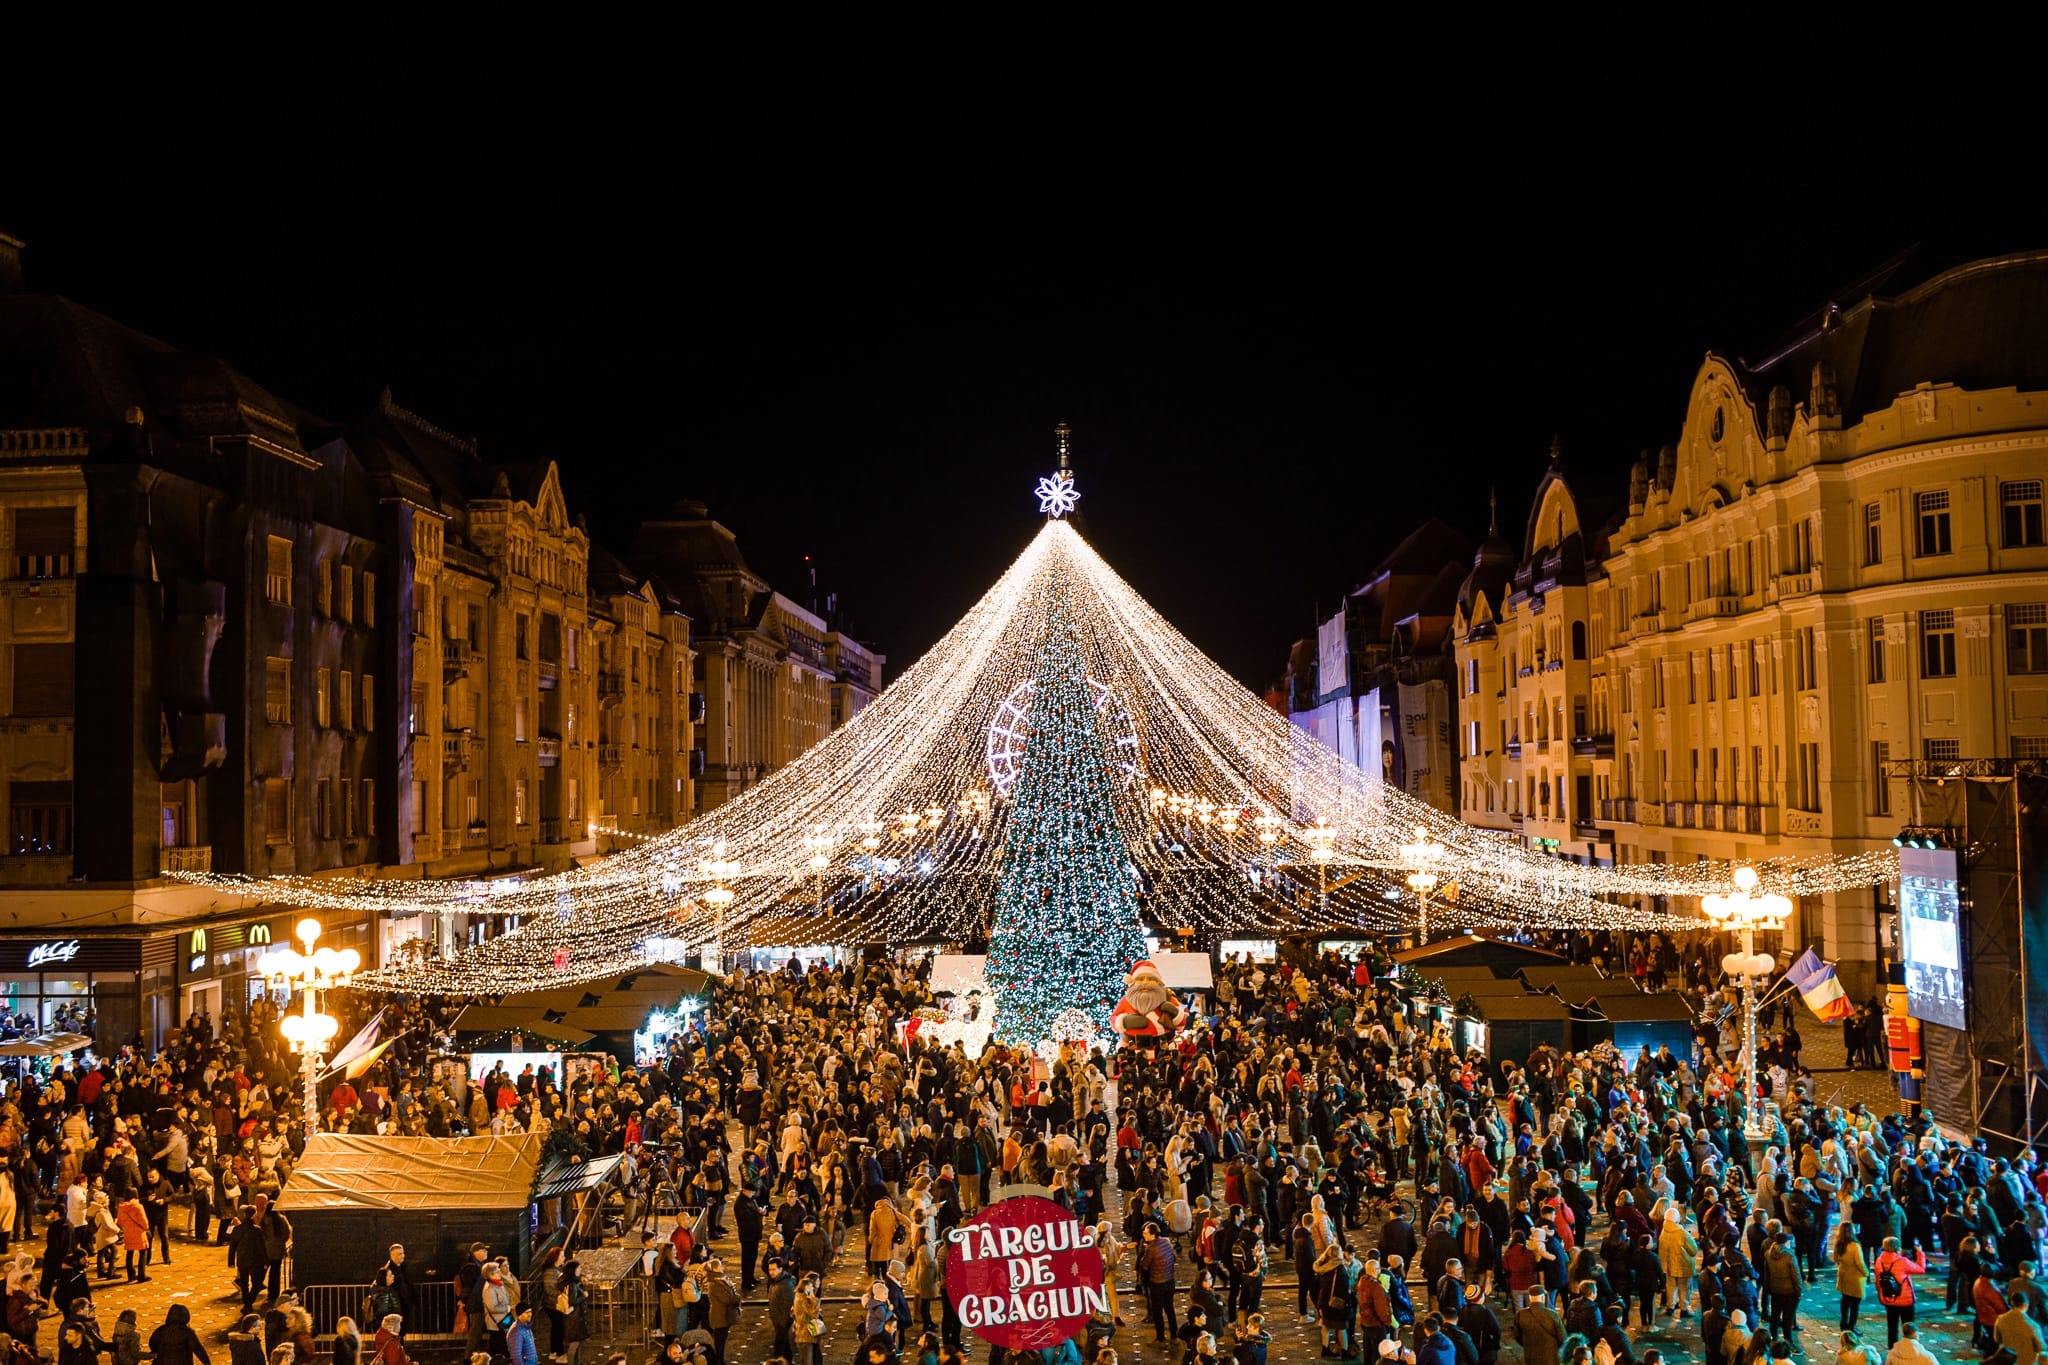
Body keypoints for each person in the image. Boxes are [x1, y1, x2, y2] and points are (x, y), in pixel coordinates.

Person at [1871, 1238, 1926, 1347]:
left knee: (1892, 1327)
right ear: (1897, 1247)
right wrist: (1920, 1253)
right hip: (1905, 1300)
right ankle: (1910, 1349)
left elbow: (1878, 1282)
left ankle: (1892, 1350)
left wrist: (1881, 1296)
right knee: (1909, 1327)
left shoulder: (1879, 1260)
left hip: (1888, 1299)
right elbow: (1921, 1269)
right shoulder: (1902, 1261)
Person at [1832, 1225, 1867, 1332]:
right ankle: (1852, 1326)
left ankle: (1843, 1323)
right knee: (1855, 1304)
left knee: (1845, 1300)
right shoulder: (1854, 1246)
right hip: (1855, 1277)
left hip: (1844, 1275)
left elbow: (1835, 1259)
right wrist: (1866, 1273)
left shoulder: (1839, 1244)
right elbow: (1859, 1263)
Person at [1999, 1294, 2048, 1365]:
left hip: (2009, 1359)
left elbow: (1997, 1338)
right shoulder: (2033, 1326)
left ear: (2012, 1303)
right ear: (2026, 1305)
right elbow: (2041, 1348)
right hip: (2028, 1362)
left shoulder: (2000, 1319)